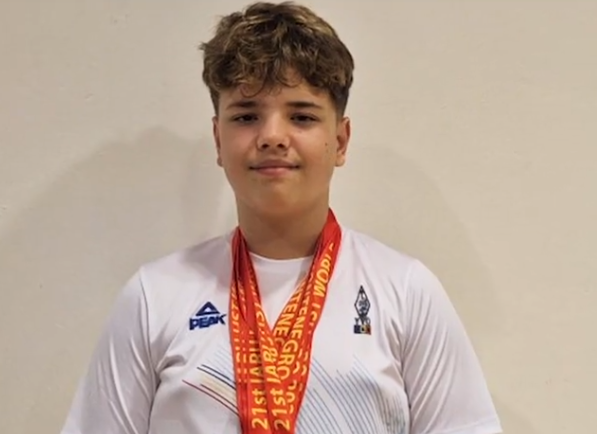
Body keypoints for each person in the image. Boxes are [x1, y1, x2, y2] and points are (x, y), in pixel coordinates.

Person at [60, 2, 502, 434]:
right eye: (246, 116)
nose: (272, 136)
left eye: (302, 116)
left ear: (340, 141)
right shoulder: (154, 297)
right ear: (218, 139)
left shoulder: (405, 291)